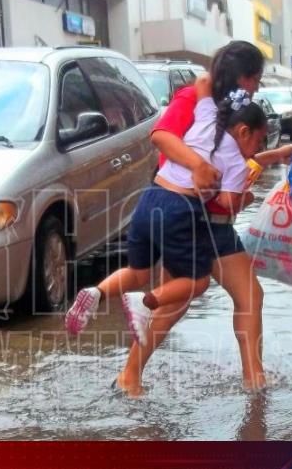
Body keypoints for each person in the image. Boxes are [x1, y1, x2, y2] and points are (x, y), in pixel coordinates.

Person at [120, 41, 292, 396]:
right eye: (256, 80)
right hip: (190, 220)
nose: (256, 89)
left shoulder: (233, 110)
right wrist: (202, 168)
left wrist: (270, 156)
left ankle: (253, 377)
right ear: (242, 77)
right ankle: (130, 375)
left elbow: (237, 159)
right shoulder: (194, 99)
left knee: (245, 296)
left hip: (212, 225)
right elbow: (162, 136)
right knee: (177, 305)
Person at [64, 86, 270, 349]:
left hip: (149, 200)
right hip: (180, 211)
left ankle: (96, 292)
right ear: (243, 131)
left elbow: (204, 87)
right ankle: (146, 301)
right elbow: (227, 204)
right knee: (197, 282)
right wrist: (249, 196)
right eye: (258, 141)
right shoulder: (237, 163)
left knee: (136, 272)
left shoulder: (203, 123)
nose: (256, 150)